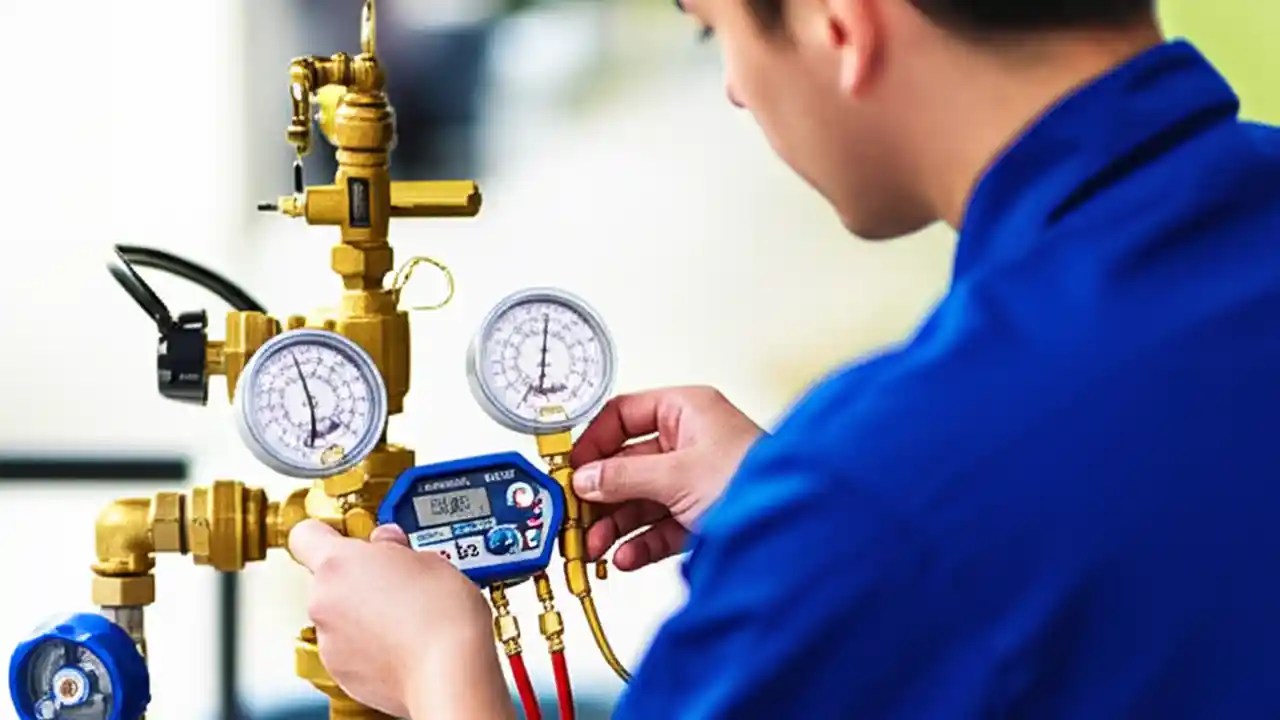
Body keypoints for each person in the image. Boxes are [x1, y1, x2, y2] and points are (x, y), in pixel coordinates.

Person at [286, 0, 1280, 717]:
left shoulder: (877, 493)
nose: (728, 87)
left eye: (714, 31)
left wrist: (437, 674)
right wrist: (796, 516)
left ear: (839, 27)